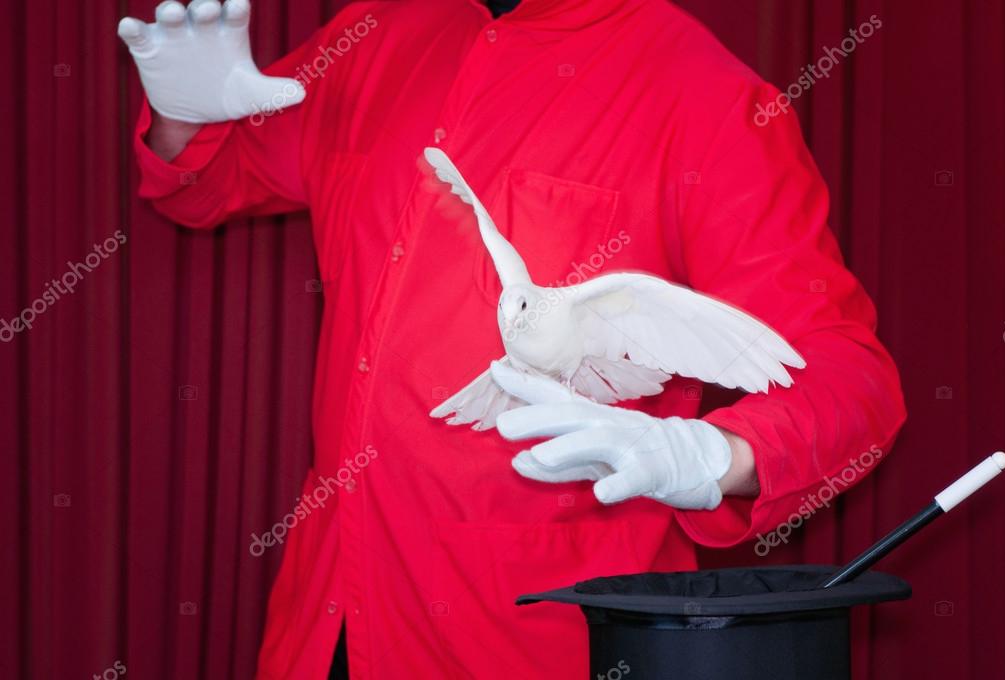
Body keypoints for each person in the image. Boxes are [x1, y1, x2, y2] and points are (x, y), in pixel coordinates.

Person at [117, 0, 907, 678]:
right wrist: (188, 114)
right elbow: (213, 184)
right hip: (327, 619)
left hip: (526, 638)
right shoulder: (375, 31)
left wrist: (708, 457)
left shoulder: (702, 93)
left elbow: (851, 381)